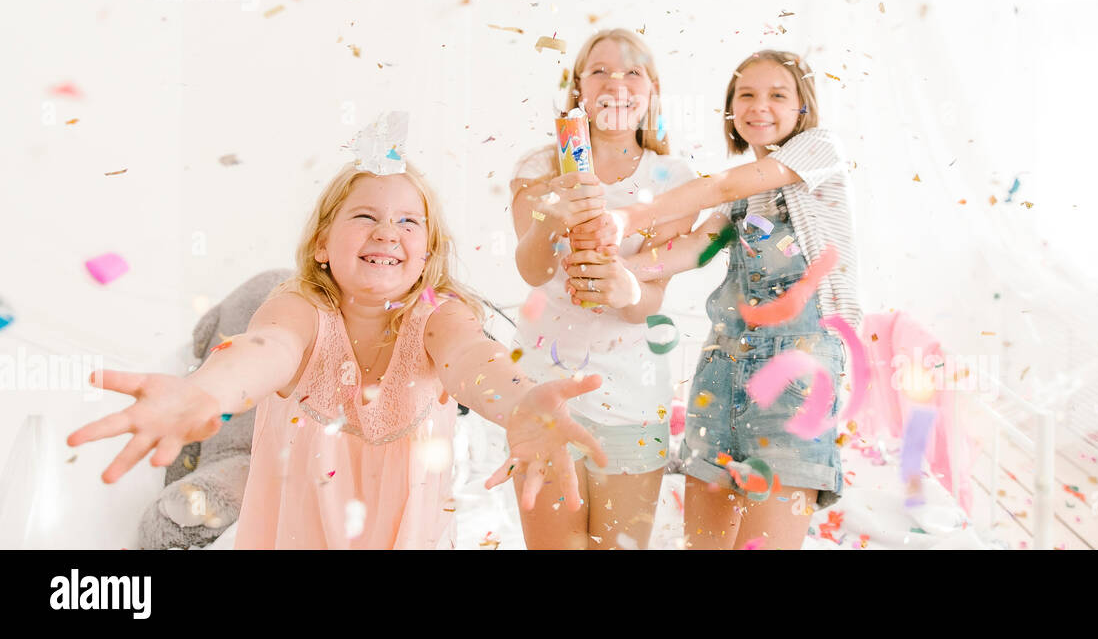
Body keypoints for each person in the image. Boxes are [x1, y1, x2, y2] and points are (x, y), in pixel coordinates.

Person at [68, 160, 605, 549]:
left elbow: (472, 358)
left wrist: (521, 404)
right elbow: (264, 350)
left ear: (426, 254)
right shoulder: (300, 307)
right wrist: (205, 392)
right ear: (323, 243)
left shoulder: (439, 315)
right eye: (365, 216)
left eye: (408, 222)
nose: (387, 232)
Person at [572, 49, 861, 549]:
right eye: (745, 94)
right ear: (731, 109)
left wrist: (627, 219)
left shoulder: (820, 150)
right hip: (720, 373)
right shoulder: (740, 199)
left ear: (803, 107)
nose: (759, 106)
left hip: (797, 369)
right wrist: (611, 270)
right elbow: (692, 249)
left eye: (777, 95)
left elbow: (722, 184)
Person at [510, 28, 695, 548]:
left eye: (632, 72)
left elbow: (648, 304)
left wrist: (626, 288)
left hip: (633, 400)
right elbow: (532, 270)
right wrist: (551, 218)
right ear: (578, 88)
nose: (616, 84)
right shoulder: (539, 168)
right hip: (544, 390)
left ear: (652, 89)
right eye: (600, 71)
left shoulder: (674, 179)